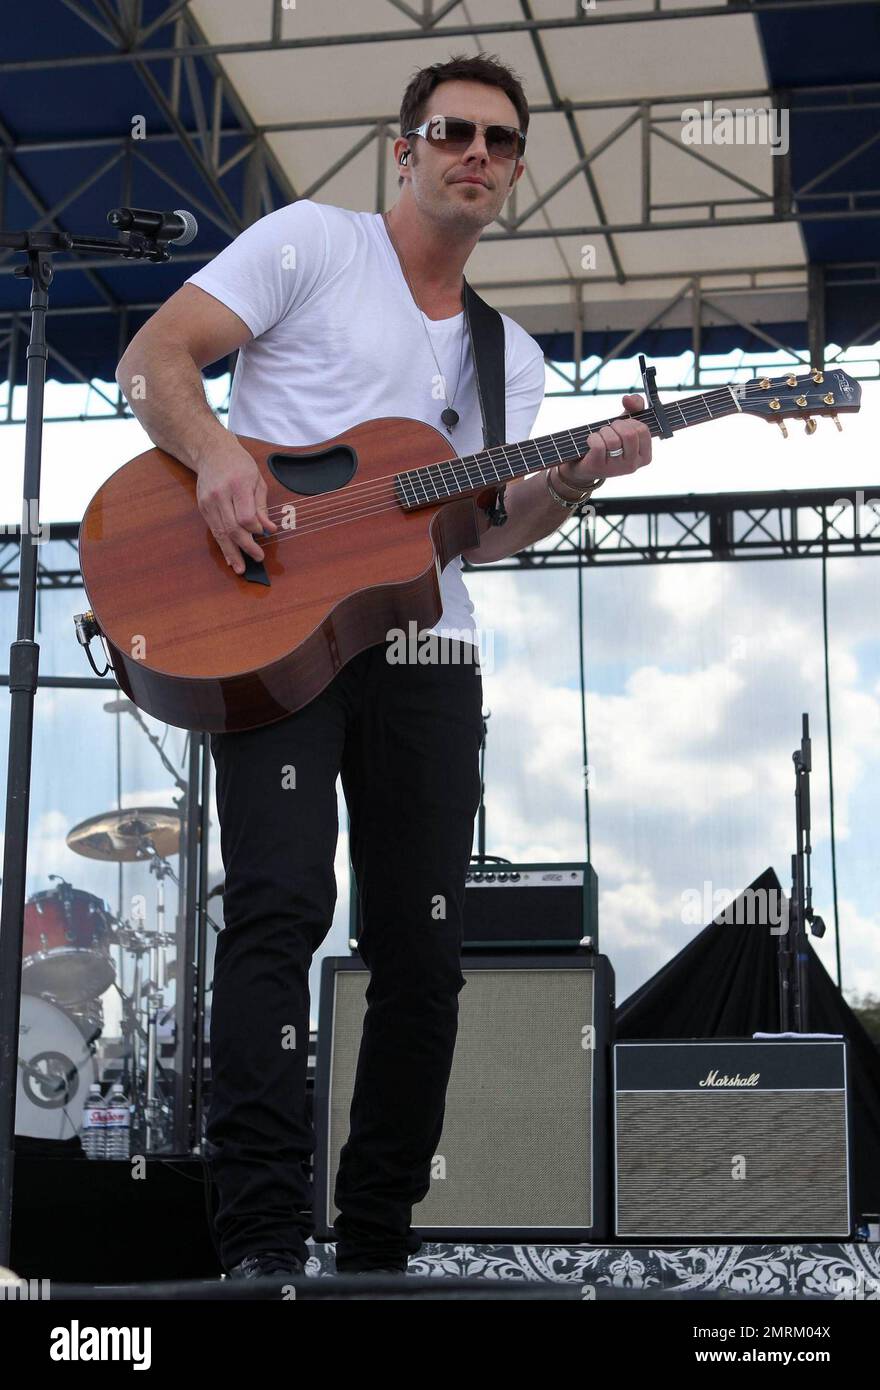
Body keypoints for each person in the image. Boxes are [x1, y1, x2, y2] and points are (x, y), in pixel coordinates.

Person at [115, 52, 652, 1279]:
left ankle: (374, 1246)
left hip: (428, 648)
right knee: (278, 910)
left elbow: (492, 529)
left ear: (513, 172)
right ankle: (256, 1237)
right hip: (270, 632)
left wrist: (574, 472)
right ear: (400, 150)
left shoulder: (508, 354)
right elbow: (157, 357)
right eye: (452, 131)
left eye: (500, 141)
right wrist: (216, 461)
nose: (476, 152)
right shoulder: (311, 244)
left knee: (422, 951)